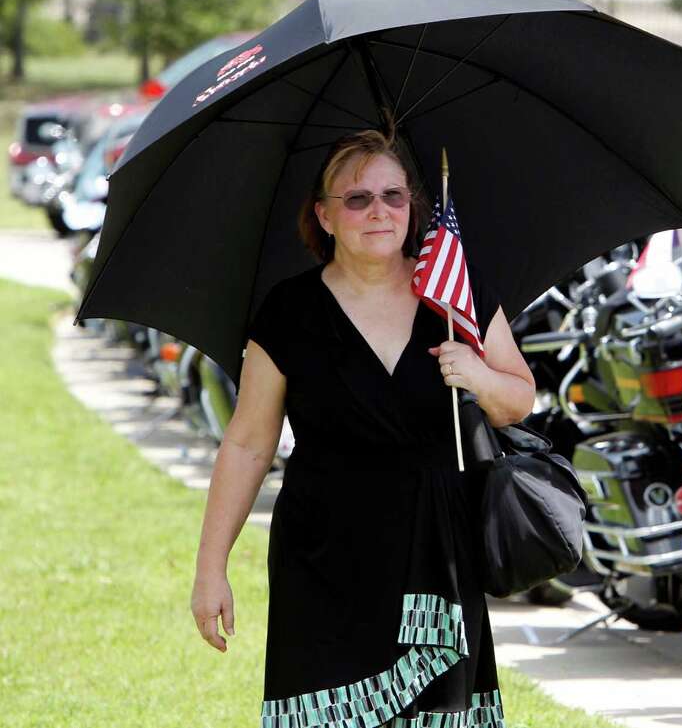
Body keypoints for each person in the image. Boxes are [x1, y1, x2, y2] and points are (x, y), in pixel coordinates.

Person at [190, 129, 535, 727]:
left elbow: (519, 402)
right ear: (323, 216)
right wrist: (210, 566)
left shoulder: (455, 294)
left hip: (437, 558)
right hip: (323, 559)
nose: (379, 210)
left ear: (414, 206)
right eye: (357, 199)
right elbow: (248, 442)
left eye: (394, 195)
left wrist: (478, 375)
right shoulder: (288, 311)